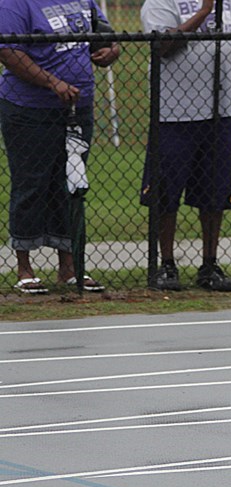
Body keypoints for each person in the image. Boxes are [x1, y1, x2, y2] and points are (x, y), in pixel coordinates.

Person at [140, 0, 231, 291]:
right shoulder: (159, 2)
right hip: (174, 113)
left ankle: (209, 265)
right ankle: (166, 265)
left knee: (215, 191)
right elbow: (163, 47)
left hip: (221, 110)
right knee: (165, 192)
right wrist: (204, 12)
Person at [0, 0, 120, 294]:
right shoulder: (16, 3)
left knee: (71, 184)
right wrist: (52, 82)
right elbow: (8, 51)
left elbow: (106, 36)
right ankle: (25, 269)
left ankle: (69, 268)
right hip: (30, 109)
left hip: (78, 106)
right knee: (31, 183)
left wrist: (111, 51)